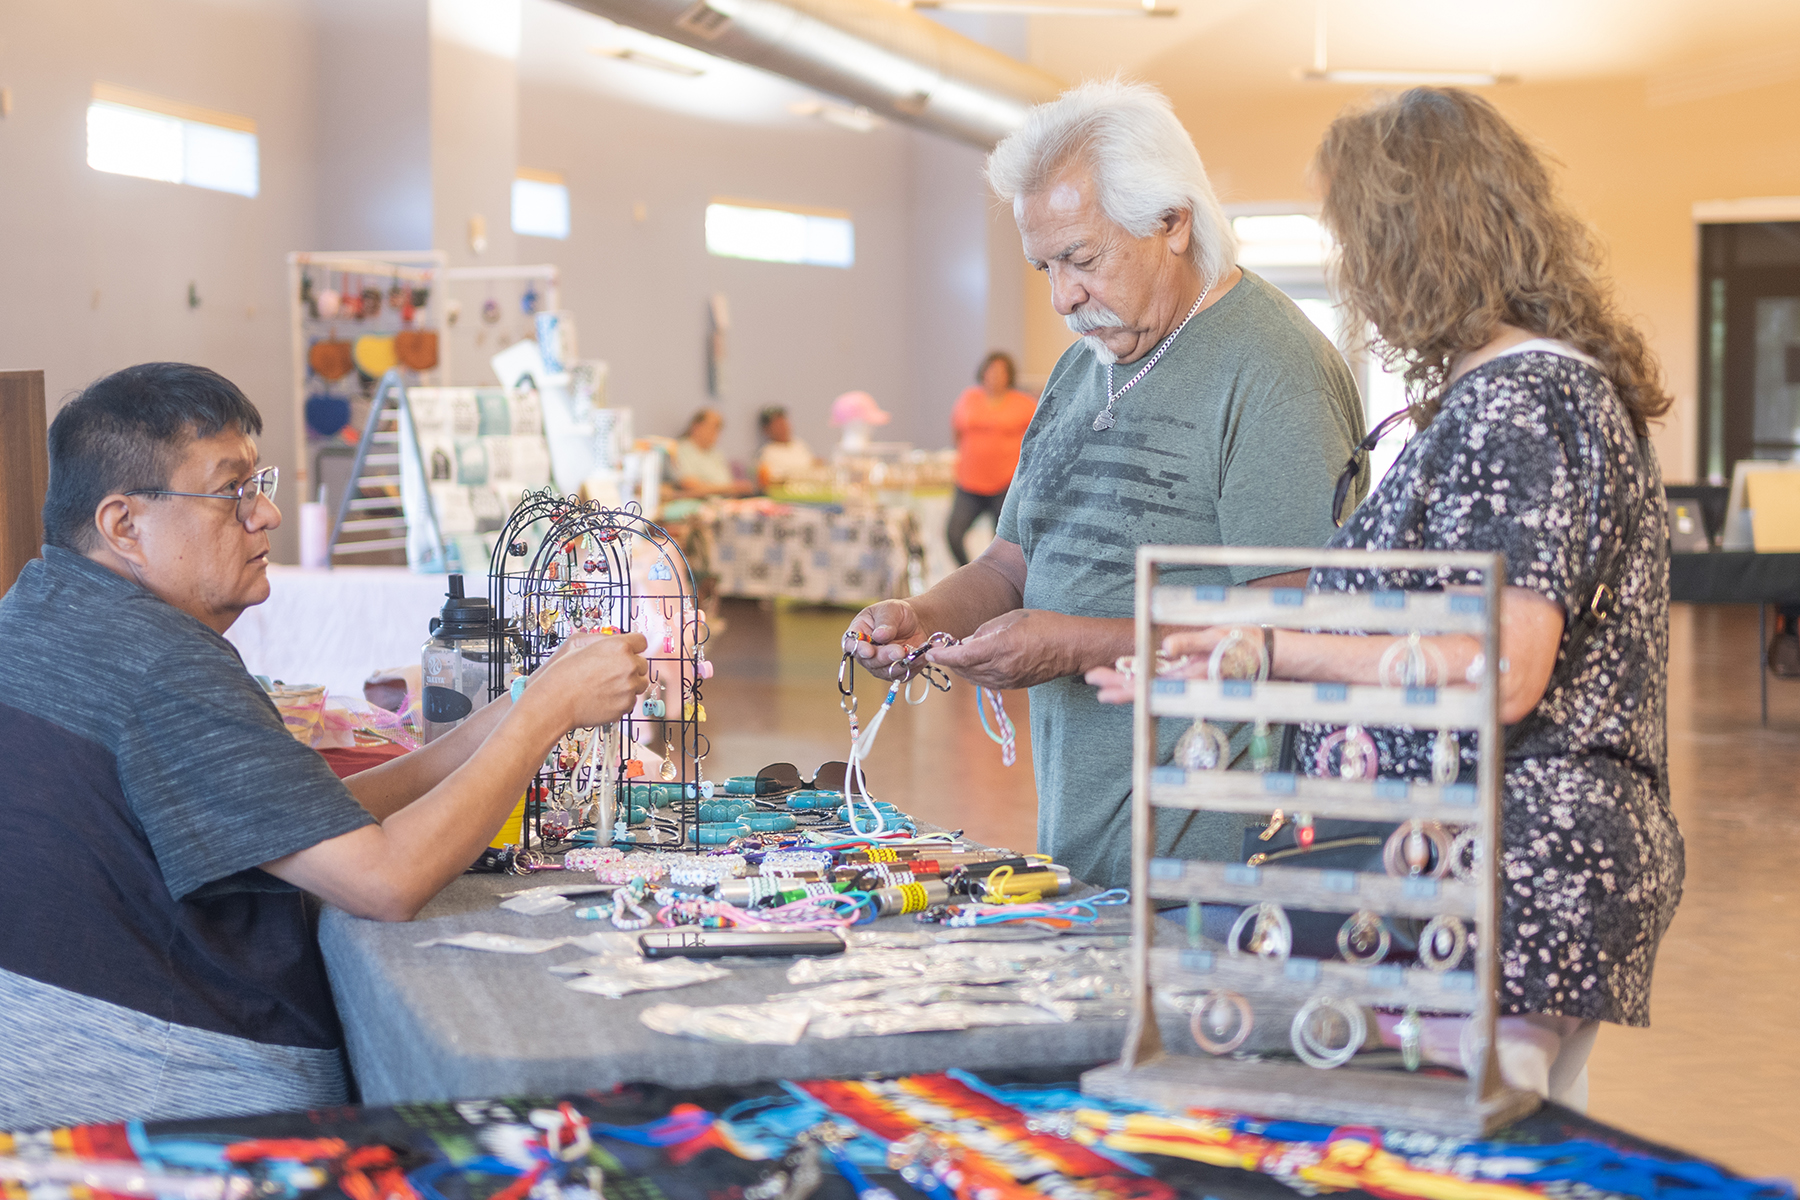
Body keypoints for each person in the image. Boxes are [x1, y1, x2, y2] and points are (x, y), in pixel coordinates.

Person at [1091, 88, 1685, 1108]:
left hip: (1502, 874)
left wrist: (1274, 656)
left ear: (1410, 241)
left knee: (1456, 1151)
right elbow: (1404, 618)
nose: (1353, 274)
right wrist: (1229, 649)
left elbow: (1499, 666)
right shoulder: (1520, 392)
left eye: (1357, 242)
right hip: (1487, 871)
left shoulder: (1521, 402)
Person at [0, 363, 647, 1129]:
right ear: (123, 525)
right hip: (182, 1095)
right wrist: (546, 712)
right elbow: (382, 882)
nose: (265, 512)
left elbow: (304, 817)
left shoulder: (42, 607)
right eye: (231, 490)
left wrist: (512, 710)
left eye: (258, 481)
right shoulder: (161, 664)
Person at [845, 80, 1366, 891]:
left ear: (1172, 223)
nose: (1062, 298)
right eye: (1045, 266)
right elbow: (1009, 566)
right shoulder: (1082, 364)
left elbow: (1299, 628)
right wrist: (921, 619)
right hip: (1087, 838)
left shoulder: (1274, 368)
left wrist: (1072, 643)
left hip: (1218, 864)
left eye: (1082, 260)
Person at [946, 351, 1036, 567]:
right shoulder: (969, 398)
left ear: (1009, 376)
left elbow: (1036, 440)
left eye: (1000, 372)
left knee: (1001, 545)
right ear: (983, 373)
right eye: (991, 371)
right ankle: (967, 576)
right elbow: (957, 432)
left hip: (1005, 485)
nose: (995, 377)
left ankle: (997, 589)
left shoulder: (1024, 403)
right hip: (969, 483)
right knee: (953, 534)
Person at [669, 407, 750, 496]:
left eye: (719, 428)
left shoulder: (716, 453)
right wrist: (728, 488)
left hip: (724, 501)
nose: (716, 432)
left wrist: (737, 488)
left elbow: (727, 481)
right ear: (696, 427)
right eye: (714, 426)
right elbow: (689, 485)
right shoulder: (680, 449)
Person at [755, 405, 819, 491]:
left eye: (783, 422)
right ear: (766, 429)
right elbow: (771, 481)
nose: (782, 427)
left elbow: (814, 466)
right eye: (776, 424)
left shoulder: (799, 445)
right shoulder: (767, 453)